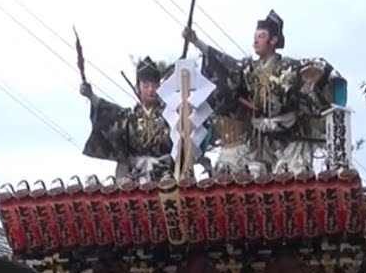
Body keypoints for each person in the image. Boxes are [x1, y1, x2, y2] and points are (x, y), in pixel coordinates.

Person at [182, 10, 337, 175]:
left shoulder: (290, 68)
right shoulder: (248, 69)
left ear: (274, 40)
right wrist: (196, 42)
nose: (255, 40)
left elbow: (318, 72)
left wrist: (317, 77)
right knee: (232, 170)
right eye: (255, 36)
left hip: (289, 139)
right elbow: (226, 65)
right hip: (257, 139)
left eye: (261, 36)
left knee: (292, 177)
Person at [80, 57, 174, 181]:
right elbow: (109, 112)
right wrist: (91, 96)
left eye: (154, 86)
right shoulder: (128, 117)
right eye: (146, 86)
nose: (151, 90)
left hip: (167, 174)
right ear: (137, 88)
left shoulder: (171, 116)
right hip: (135, 174)